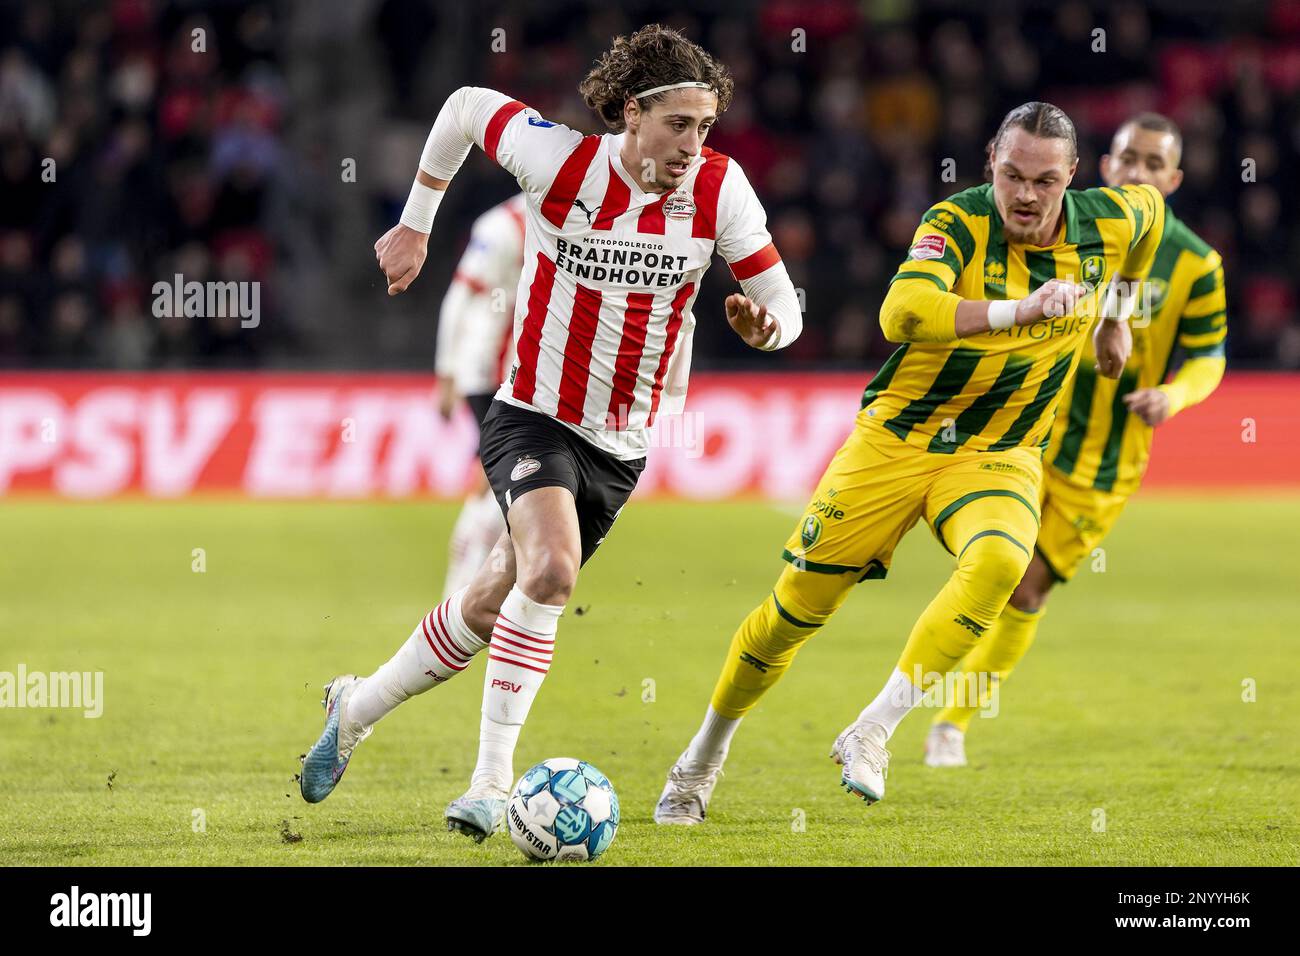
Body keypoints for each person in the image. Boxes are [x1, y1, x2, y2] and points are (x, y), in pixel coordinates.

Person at [299, 24, 803, 845]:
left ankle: (352, 708)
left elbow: (785, 306)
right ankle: (492, 784)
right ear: (633, 115)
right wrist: (417, 223)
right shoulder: (560, 159)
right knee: (553, 569)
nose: (693, 143)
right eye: (680, 123)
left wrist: (766, 331)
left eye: (706, 126)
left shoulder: (721, 189)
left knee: (496, 596)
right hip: (531, 412)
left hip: (623, 444)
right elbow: (464, 107)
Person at [656, 101, 1162, 822]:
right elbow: (901, 313)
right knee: (794, 614)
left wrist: (1116, 315)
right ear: (990, 158)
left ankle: (874, 729)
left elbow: (1147, 229)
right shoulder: (954, 223)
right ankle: (701, 759)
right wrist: (1021, 311)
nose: (1025, 194)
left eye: (1045, 182)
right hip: (897, 442)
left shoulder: (1112, 217)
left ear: (1073, 177)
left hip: (1000, 452)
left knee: (1000, 564)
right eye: (1012, 174)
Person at [924, 112, 1227, 767]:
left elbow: (1209, 357)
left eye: (1153, 164)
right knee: (990, 571)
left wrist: (1174, 395)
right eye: (1127, 158)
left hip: (1105, 461)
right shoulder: (1065, 231)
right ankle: (912, 702)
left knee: (1028, 588)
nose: (1136, 172)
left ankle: (953, 719)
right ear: (1103, 164)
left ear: (1173, 179)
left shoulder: (1198, 265)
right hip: (1033, 433)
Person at [434, 193, 525, 598]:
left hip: (519, 374)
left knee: (498, 480)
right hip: (490, 372)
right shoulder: (502, 225)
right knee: (494, 479)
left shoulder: (570, 212)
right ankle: (459, 596)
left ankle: (465, 591)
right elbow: (459, 295)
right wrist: (446, 372)